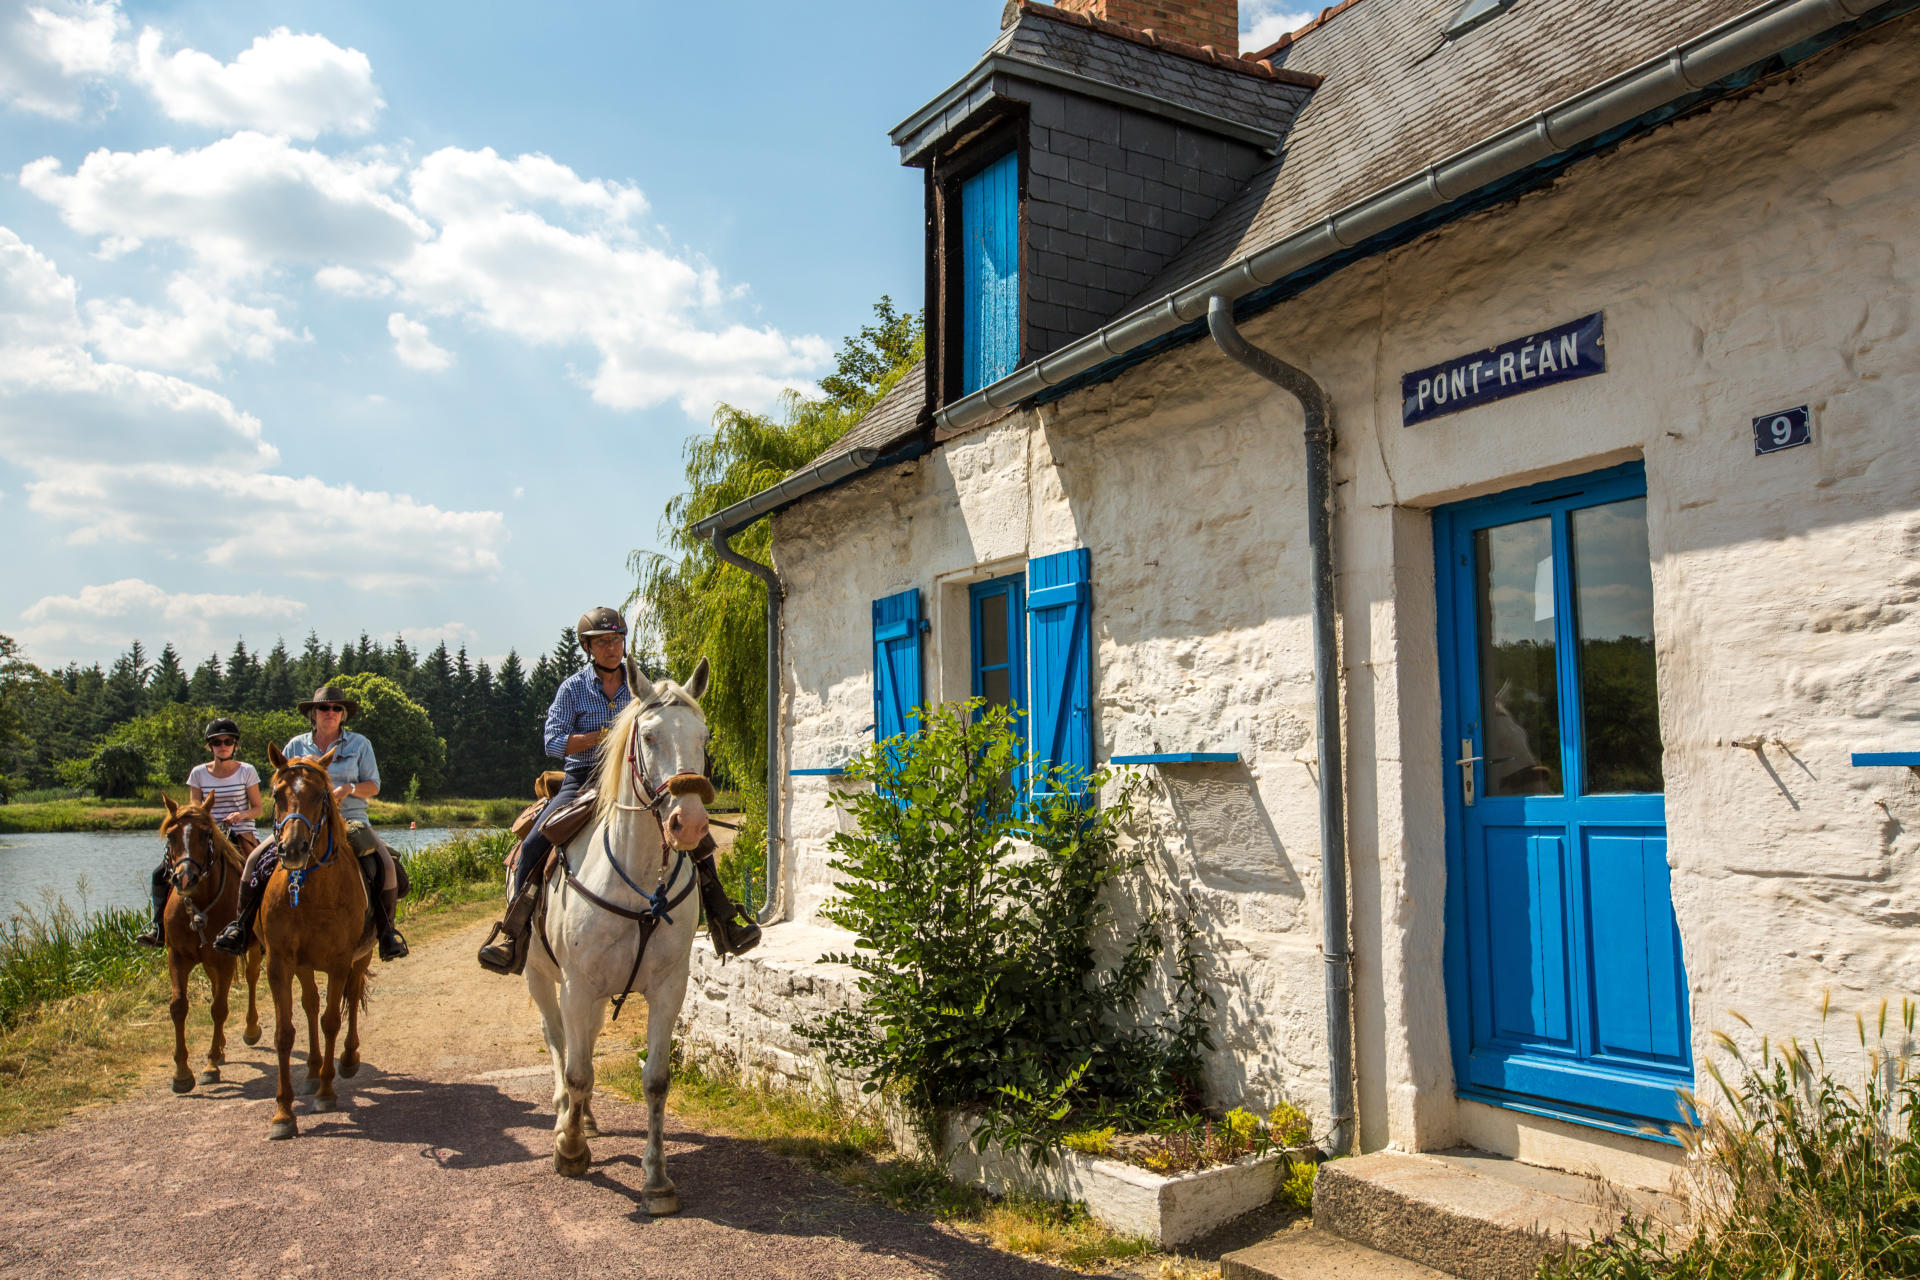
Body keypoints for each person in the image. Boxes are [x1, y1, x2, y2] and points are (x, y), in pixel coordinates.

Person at [477, 607, 633, 974]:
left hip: (629, 779)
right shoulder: (572, 688)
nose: (612, 647)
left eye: (616, 639)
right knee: (535, 842)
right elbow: (553, 742)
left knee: (689, 830)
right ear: (587, 647)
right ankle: (513, 933)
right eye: (602, 642)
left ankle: (720, 914)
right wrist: (601, 737)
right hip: (582, 778)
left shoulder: (640, 684)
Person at [213, 685, 409, 962]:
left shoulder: (360, 744)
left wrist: (349, 789)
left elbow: (374, 786)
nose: (330, 712)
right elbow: (281, 783)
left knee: (385, 862)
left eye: (336, 708)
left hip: (350, 820)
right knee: (254, 860)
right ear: (313, 714)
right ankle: (241, 928)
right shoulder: (295, 746)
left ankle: (387, 933)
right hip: (300, 822)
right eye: (324, 707)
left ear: (343, 715)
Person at [134, 718, 260, 948]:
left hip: (240, 832)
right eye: (217, 742)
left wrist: (240, 815)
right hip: (207, 833)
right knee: (160, 873)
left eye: (228, 741)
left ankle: (258, 930)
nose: (223, 746)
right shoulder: (198, 773)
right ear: (210, 746)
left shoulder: (247, 771)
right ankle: (158, 927)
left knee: (259, 872)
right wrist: (204, 823)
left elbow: (258, 808)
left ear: (235, 744)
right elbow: (194, 810)